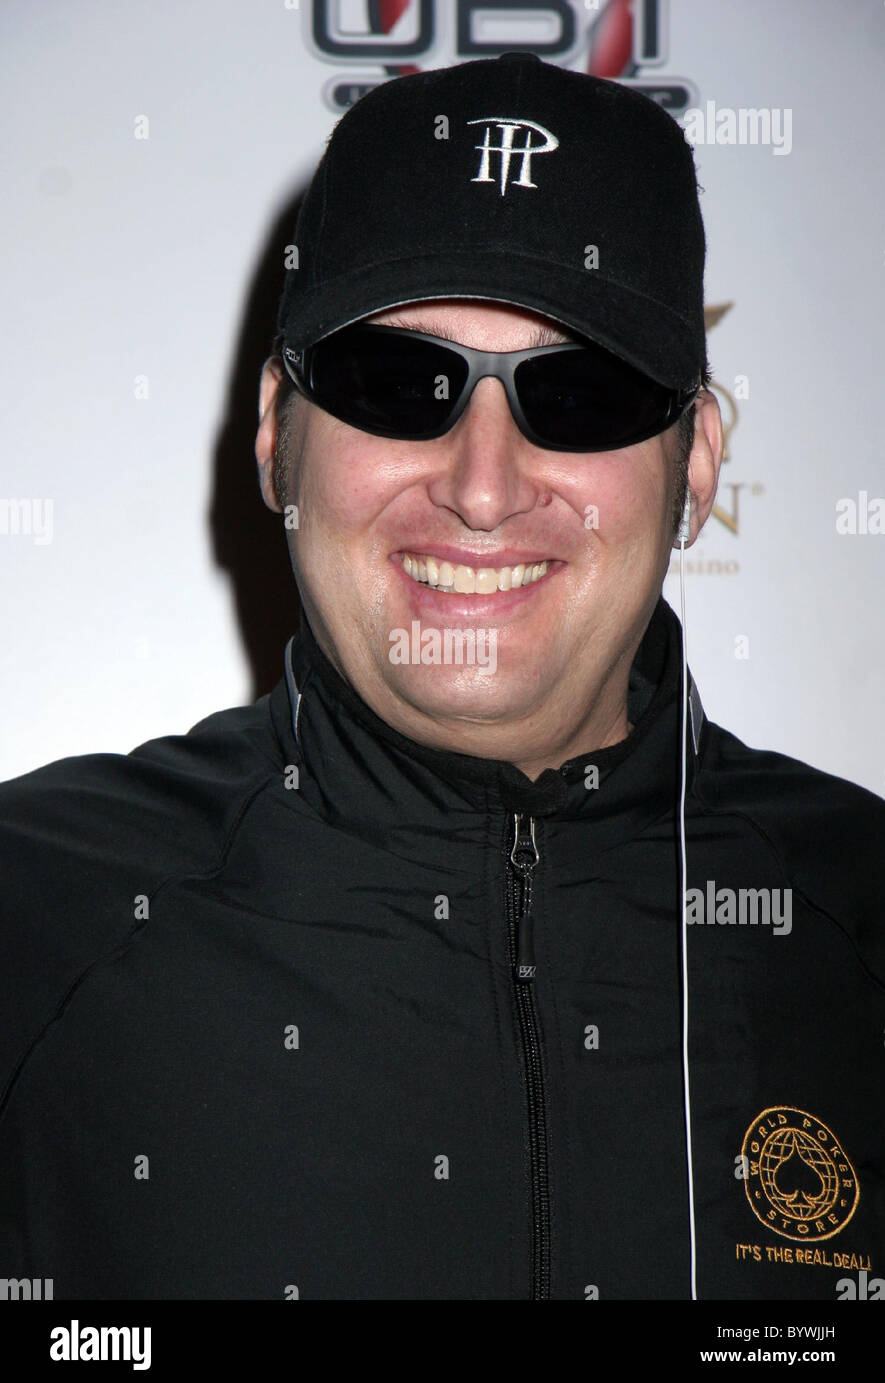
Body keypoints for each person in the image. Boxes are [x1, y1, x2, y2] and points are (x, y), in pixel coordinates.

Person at [1, 54, 882, 1303]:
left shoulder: (859, 921)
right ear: (277, 432)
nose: (481, 486)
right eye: (399, 382)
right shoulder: (32, 918)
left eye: (579, 392)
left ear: (697, 463)